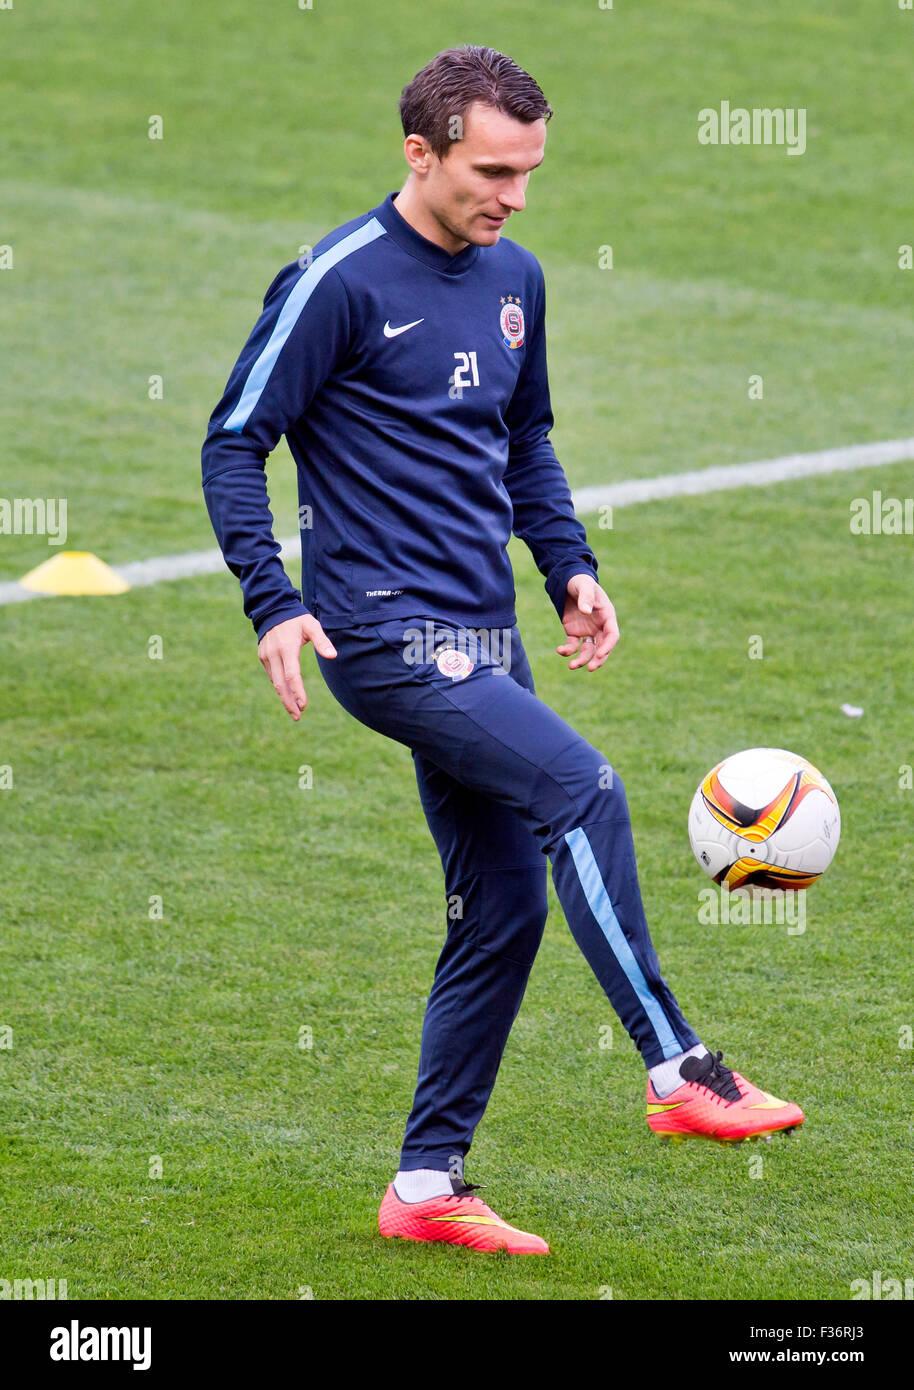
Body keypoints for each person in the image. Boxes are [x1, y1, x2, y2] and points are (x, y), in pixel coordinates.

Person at [201, 44, 803, 1257]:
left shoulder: (516, 272)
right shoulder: (337, 282)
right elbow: (232, 438)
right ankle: (676, 1065)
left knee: (502, 904)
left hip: (487, 633)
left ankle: (424, 1186)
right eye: (489, 170)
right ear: (417, 153)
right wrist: (272, 600)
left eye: (528, 172)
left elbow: (523, 442)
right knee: (580, 786)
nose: (512, 197)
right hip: (382, 636)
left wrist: (568, 566)